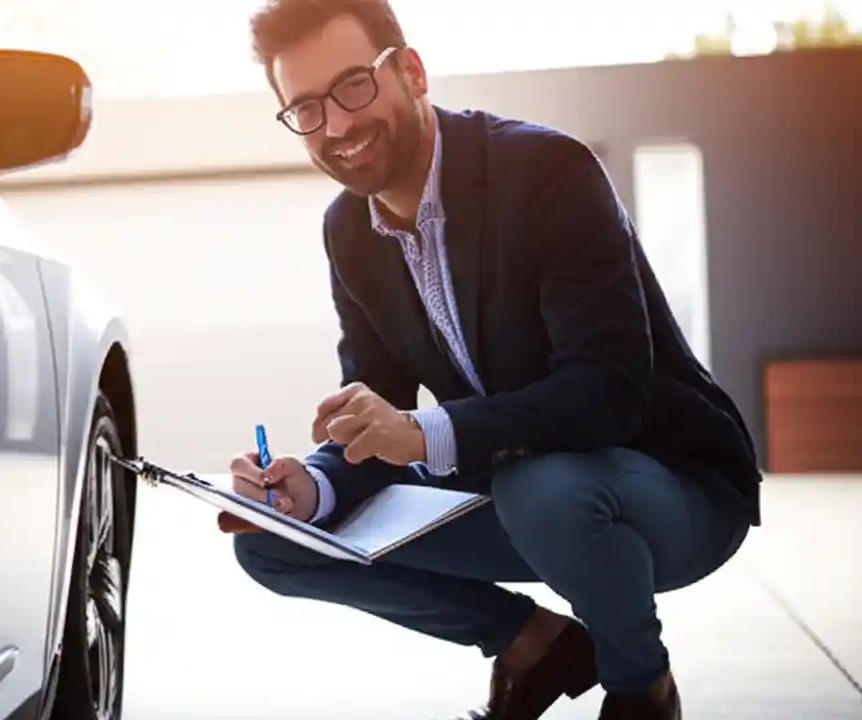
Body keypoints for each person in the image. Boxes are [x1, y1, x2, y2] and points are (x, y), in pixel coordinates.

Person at [226, 1, 762, 718]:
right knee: (275, 544)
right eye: (307, 108)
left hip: (667, 488)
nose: (338, 126)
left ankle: (642, 689)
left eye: (353, 86)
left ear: (410, 71)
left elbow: (611, 389)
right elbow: (373, 414)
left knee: (540, 487)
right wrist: (310, 488)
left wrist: (428, 434)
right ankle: (530, 643)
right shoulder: (349, 229)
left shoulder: (545, 172)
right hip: (517, 494)